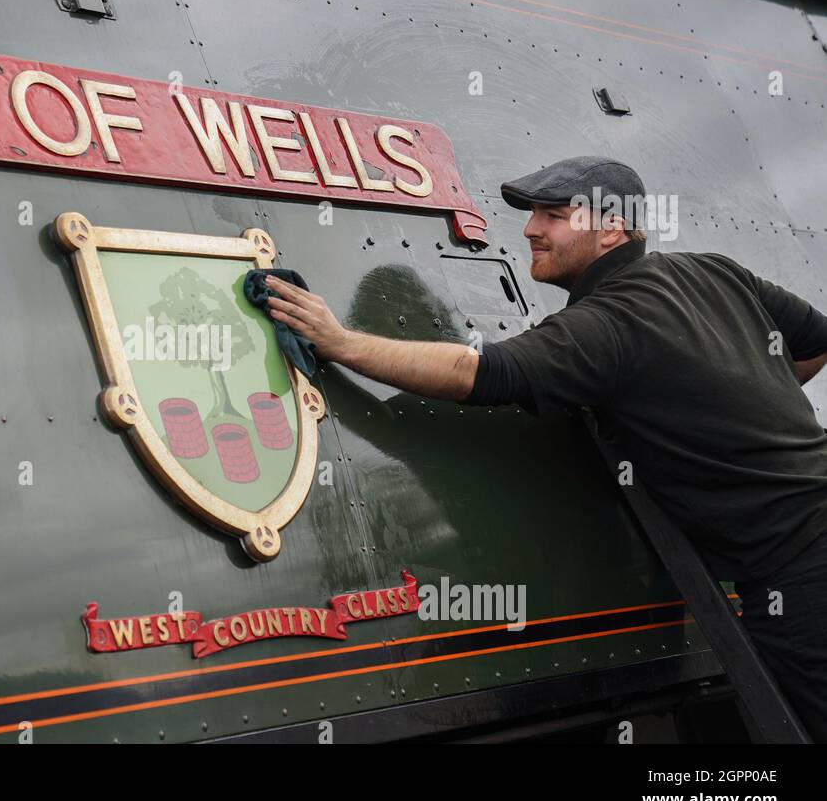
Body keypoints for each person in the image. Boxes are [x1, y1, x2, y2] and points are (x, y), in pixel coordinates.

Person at [263, 155, 827, 742]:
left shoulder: (609, 323)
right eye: (533, 214)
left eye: (554, 215)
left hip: (797, 573)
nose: (532, 229)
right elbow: (816, 341)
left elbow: (477, 372)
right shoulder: (716, 272)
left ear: (612, 227)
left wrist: (341, 342)